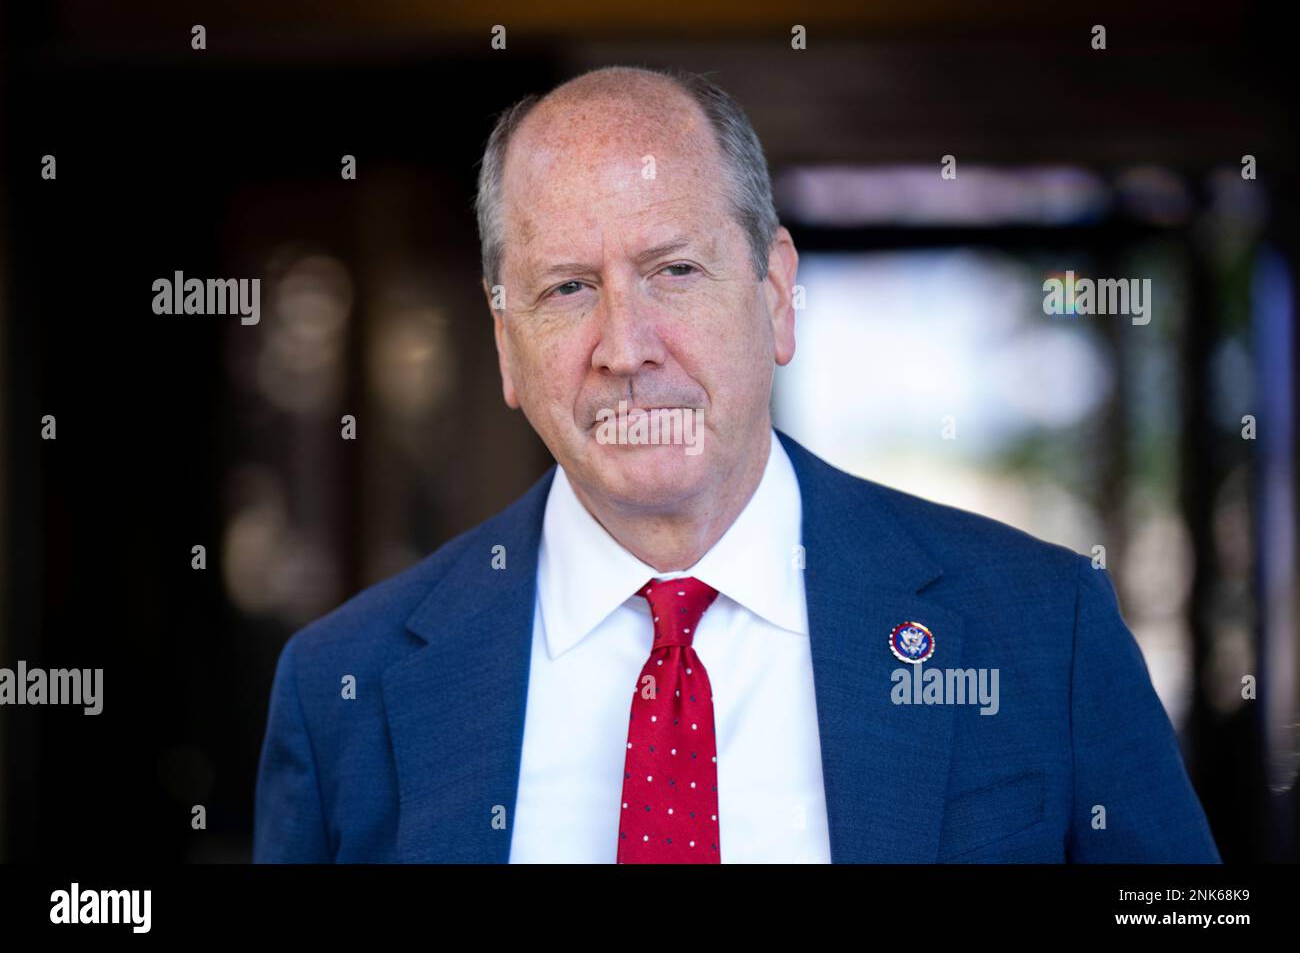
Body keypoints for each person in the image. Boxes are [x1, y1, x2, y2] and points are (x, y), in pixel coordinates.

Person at [253, 65, 1220, 863]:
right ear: (506, 344)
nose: (624, 346)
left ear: (777, 295)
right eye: (567, 287)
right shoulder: (343, 687)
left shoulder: (1043, 633)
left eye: (675, 270)